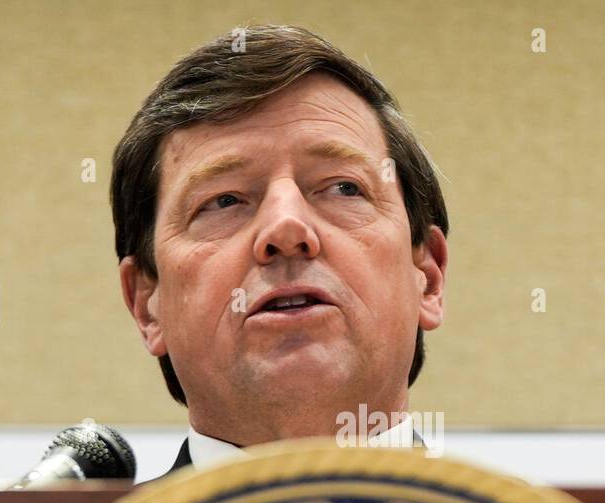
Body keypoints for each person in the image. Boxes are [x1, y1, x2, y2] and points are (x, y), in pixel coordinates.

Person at [111, 24, 449, 478]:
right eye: (224, 201)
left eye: (344, 188)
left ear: (428, 277)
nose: (286, 228)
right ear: (147, 306)